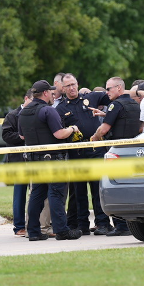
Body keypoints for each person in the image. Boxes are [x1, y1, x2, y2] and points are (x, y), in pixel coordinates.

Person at [20, 80, 81, 241]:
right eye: (51, 92)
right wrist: (72, 129)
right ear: (46, 93)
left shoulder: (24, 112)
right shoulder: (48, 110)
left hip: (34, 160)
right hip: (53, 160)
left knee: (37, 195)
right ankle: (62, 230)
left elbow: (22, 136)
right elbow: (59, 134)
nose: (54, 95)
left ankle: (33, 231)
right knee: (56, 194)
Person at [56, 74, 112, 236]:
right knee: (79, 192)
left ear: (78, 84)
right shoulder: (60, 109)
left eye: (73, 84)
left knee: (97, 188)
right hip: (76, 152)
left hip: (95, 149)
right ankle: (82, 225)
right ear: (63, 88)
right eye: (68, 86)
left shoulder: (92, 98)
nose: (72, 88)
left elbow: (115, 99)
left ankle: (102, 223)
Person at [90, 77, 142, 236]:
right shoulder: (134, 104)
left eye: (109, 89)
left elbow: (104, 129)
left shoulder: (115, 105)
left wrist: (94, 138)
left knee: (115, 190)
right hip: (132, 153)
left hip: (116, 153)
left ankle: (121, 226)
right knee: (131, 190)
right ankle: (133, 225)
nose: (106, 92)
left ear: (119, 88)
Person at [2, 92, 31, 237]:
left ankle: (34, 224)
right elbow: (6, 135)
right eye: (31, 100)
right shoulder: (12, 116)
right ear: (26, 98)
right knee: (19, 195)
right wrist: (20, 137)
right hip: (18, 162)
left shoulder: (35, 113)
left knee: (36, 195)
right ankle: (19, 226)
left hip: (34, 161)